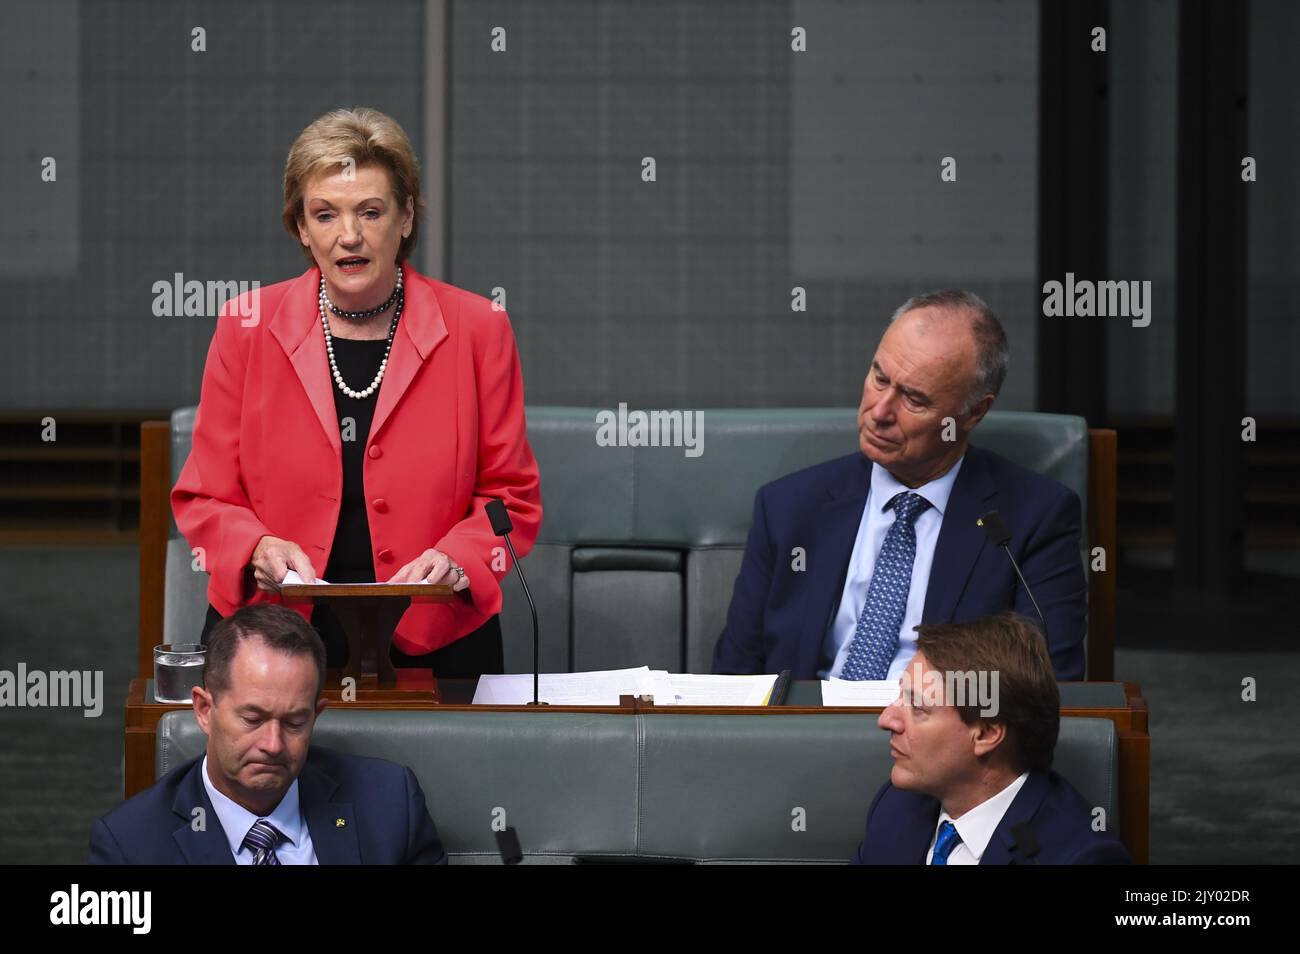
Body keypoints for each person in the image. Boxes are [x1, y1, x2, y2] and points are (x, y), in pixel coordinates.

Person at [172, 106, 541, 678]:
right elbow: (205, 496)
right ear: (301, 227)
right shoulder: (244, 323)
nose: (350, 236)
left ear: (407, 217)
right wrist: (255, 548)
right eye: (325, 215)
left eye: (371, 211)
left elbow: (510, 499)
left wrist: (458, 559)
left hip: (434, 630)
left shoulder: (478, 328)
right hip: (272, 633)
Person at [713, 290, 1086, 680]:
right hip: (805, 728)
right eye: (880, 377)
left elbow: (1048, 686)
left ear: (974, 411)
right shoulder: (788, 507)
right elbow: (735, 675)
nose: (879, 412)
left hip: (938, 732)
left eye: (913, 399)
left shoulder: (1032, 519)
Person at [89, 605, 446, 864]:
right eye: (252, 719)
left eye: (294, 723)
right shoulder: (131, 845)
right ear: (204, 710)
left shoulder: (390, 805)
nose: (273, 745)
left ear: (316, 715)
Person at [851, 613, 1130, 865]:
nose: (886, 719)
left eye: (918, 707)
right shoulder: (897, 805)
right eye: (900, 696)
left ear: (986, 734)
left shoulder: (1081, 858)